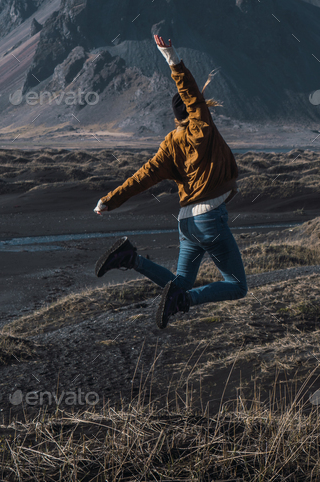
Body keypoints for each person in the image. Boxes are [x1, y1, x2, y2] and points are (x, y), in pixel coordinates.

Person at [93, 33, 248, 329]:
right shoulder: (201, 127)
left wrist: (108, 201)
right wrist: (172, 58)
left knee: (181, 282)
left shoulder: (168, 145)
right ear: (192, 111)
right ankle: (183, 302)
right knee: (237, 285)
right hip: (209, 219)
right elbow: (190, 91)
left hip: (187, 221)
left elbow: (141, 178)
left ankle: (130, 259)